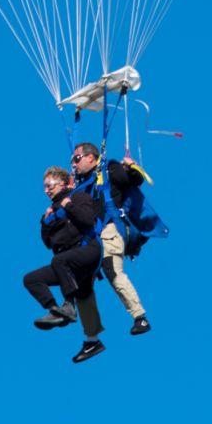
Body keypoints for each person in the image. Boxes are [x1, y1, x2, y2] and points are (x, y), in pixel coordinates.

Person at [22, 166, 107, 363]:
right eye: (44, 187)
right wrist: (45, 221)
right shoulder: (51, 211)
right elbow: (48, 243)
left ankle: (69, 306)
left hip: (88, 252)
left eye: (50, 185)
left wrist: (68, 205)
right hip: (68, 263)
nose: (46, 190)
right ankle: (55, 311)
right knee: (31, 279)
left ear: (64, 183)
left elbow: (87, 220)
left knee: (59, 260)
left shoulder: (78, 197)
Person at [71, 143, 152, 335]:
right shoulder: (82, 184)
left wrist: (130, 167)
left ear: (91, 157)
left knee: (112, 270)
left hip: (110, 231)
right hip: (91, 238)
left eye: (76, 159)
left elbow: (132, 179)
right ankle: (92, 337)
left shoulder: (109, 169)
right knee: (81, 283)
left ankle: (140, 317)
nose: (73, 165)